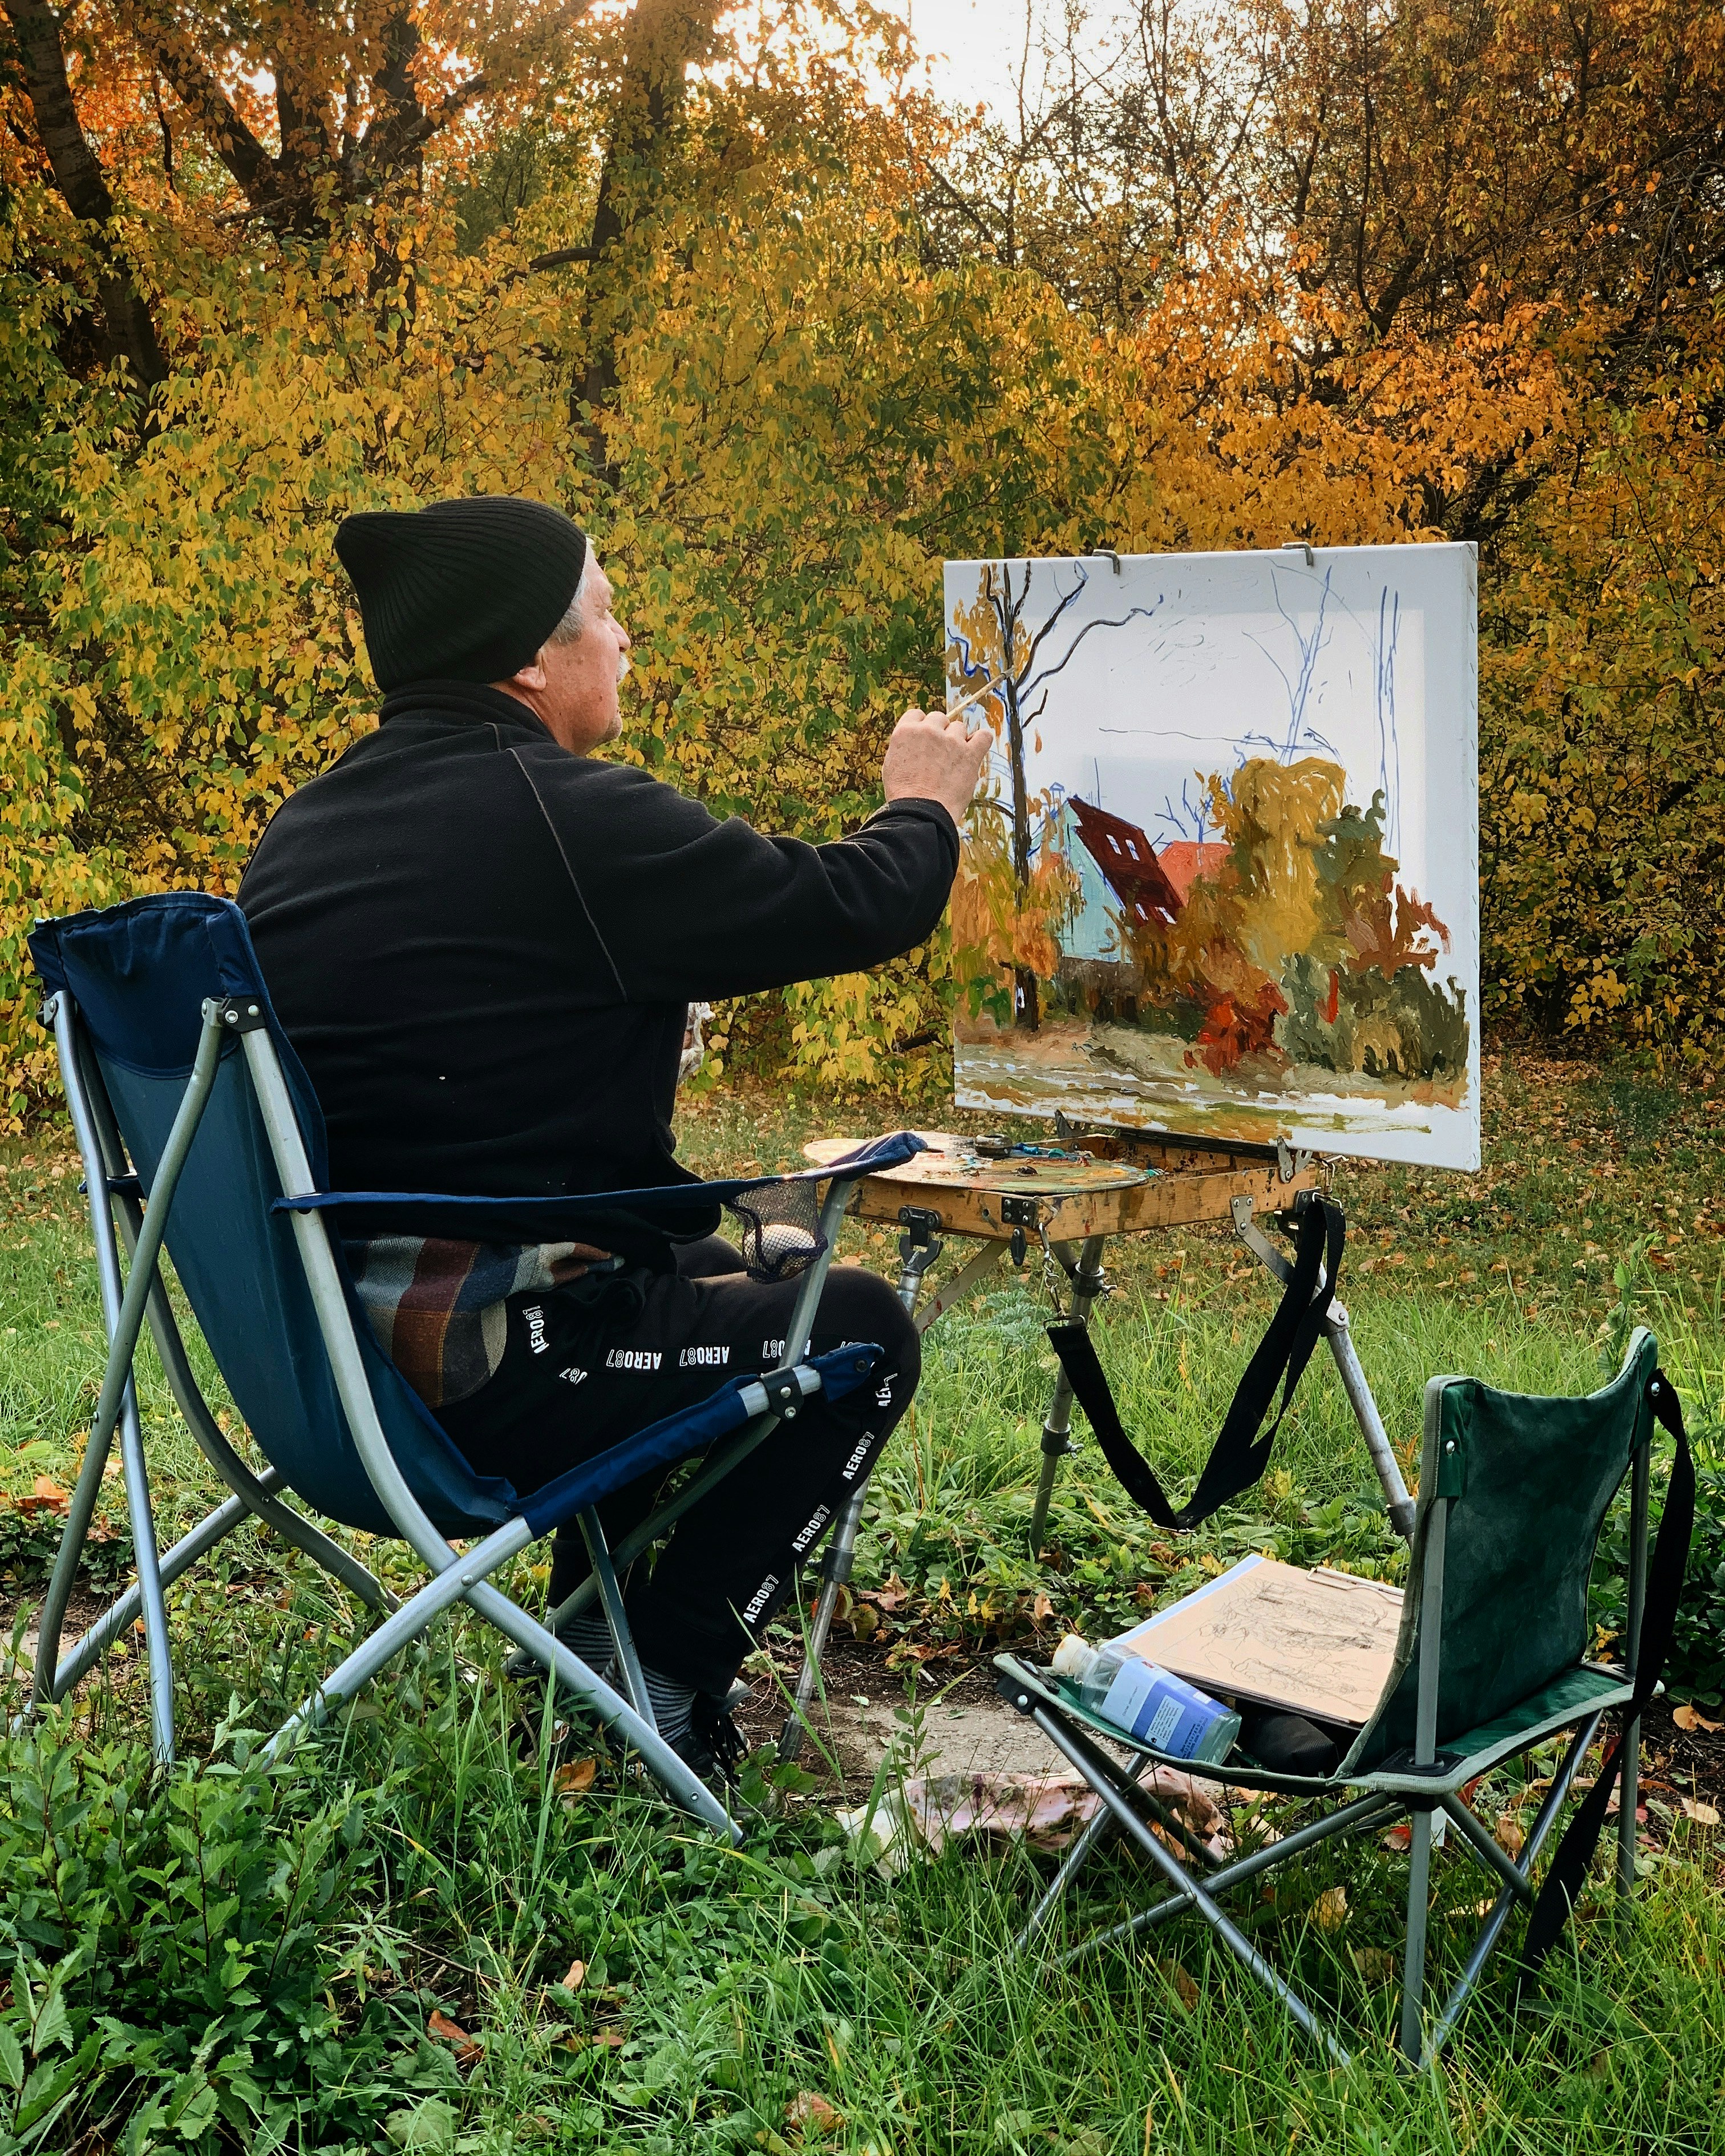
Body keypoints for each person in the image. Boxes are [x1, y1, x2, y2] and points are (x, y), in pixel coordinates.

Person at [239, 494, 989, 1776]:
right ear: (529, 658)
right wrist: (924, 804)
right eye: (603, 608)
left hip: (336, 1361)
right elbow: (850, 904)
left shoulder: (304, 830)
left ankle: (600, 1638)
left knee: (747, 1276)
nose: (624, 635)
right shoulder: (561, 813)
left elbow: (439, 1068)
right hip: (487, 1374)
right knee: (857, 1331)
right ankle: (661, 1678)